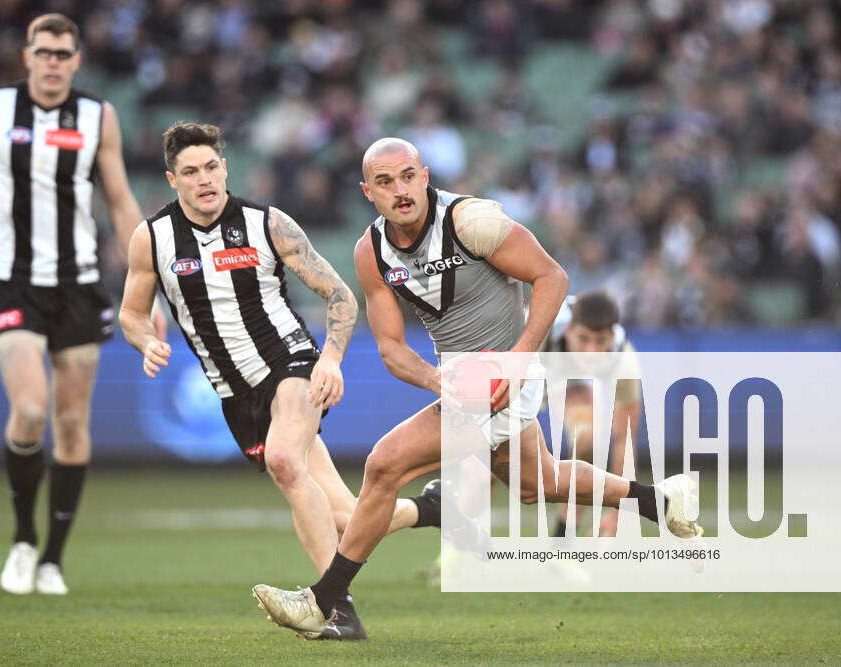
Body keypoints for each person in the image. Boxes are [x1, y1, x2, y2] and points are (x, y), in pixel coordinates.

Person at [252, 138, 702, 638]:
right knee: (538, 484)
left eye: (407, 176)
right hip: (466, 383)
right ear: (367, 192)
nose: (399, 190)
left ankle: (324, 602)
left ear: (424, 176)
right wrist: (438, 378)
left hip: (509, 373)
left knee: (384, 464)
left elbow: (552, 277)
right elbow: (392, 350)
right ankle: (660, 501)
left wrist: (519, 358)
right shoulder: (370, 253)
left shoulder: (471, 223)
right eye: (384, 182)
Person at [118, 123, 440, 641]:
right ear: (172, 180)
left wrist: (330, 360)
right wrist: (144, 340)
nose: (204, 179)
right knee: (343, 515)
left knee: (285, 461)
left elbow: (340, 296)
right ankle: (430, 509)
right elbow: (132, 312)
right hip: (234, 392)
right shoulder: (151, 238)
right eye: (190, 172)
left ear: (225, 167)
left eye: (211, 167)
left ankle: (333, 608)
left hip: (291, 363)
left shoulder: (268, 224)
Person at [0, 14, 165, 596]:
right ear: (26, 56)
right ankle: (22, 540)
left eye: (62, 53)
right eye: (42, 52)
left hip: (80, 283)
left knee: (71, 424)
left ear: (76, 60)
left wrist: (146, 289)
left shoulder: (99, 116)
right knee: (29, 410)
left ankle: (52, 559)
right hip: (14, 279)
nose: (52, 62)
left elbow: (121, 202)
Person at [542, 290, 642, 539]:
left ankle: (561, 543)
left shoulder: (623, 358)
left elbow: (624, 439)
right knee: (488, 449)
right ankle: (457, 549)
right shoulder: (540, 327)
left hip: (569, 382)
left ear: (612, 335)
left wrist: (618, 509)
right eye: (583, 339)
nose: (591, 351)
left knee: (589, 441)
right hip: (525, 371)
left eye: (600, 341)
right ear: (568, 330)